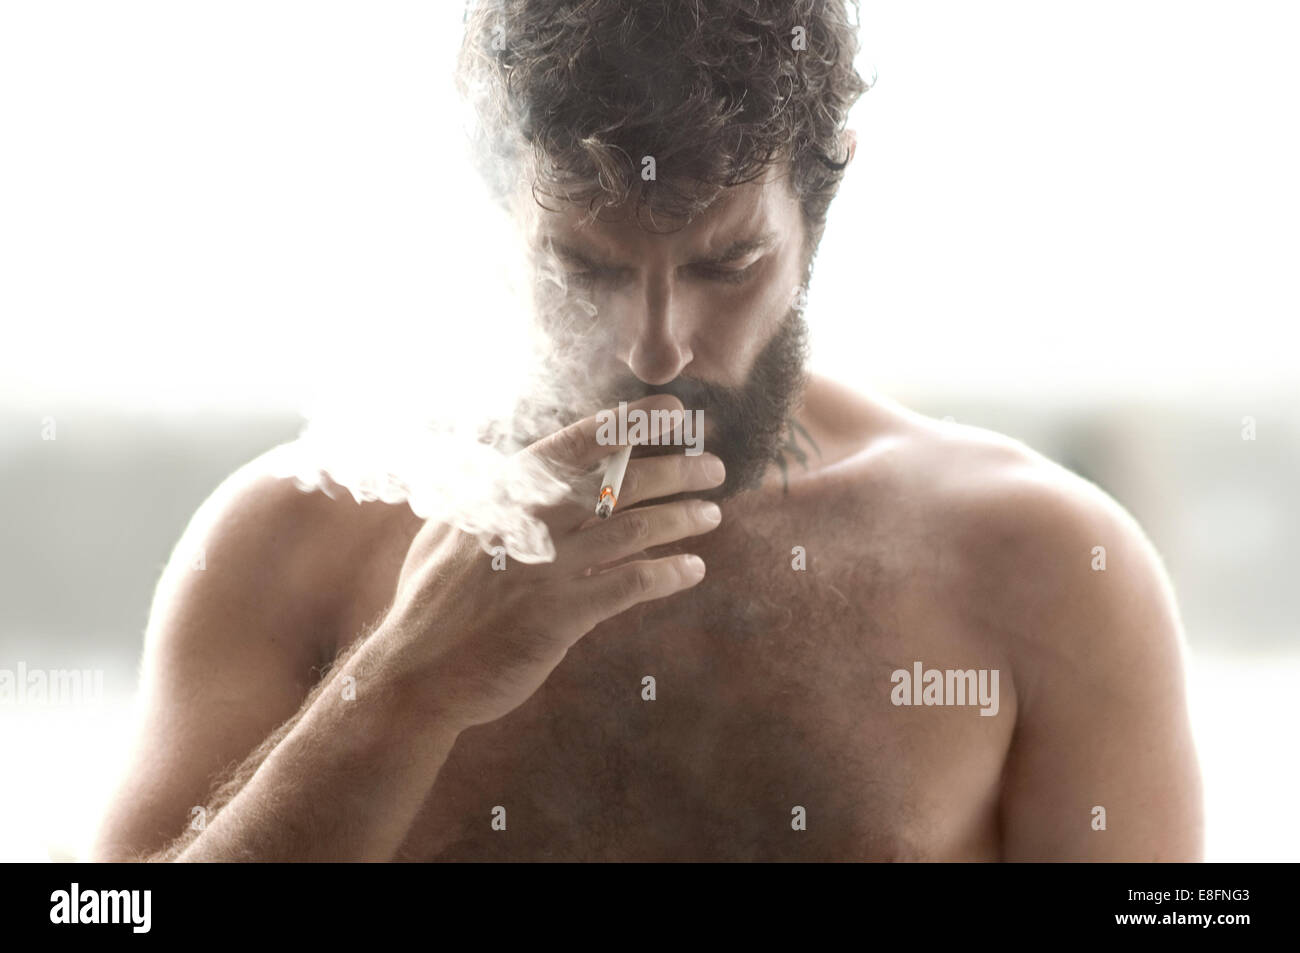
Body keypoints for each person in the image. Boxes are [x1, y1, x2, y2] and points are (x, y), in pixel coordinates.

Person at [90, 0, 1202, 861]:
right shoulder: (290, 539)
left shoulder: (1043, 562)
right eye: (586, 266)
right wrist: (404, 683)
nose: (657, 348)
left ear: (818, 210)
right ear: (497, 217)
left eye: (727, 265)